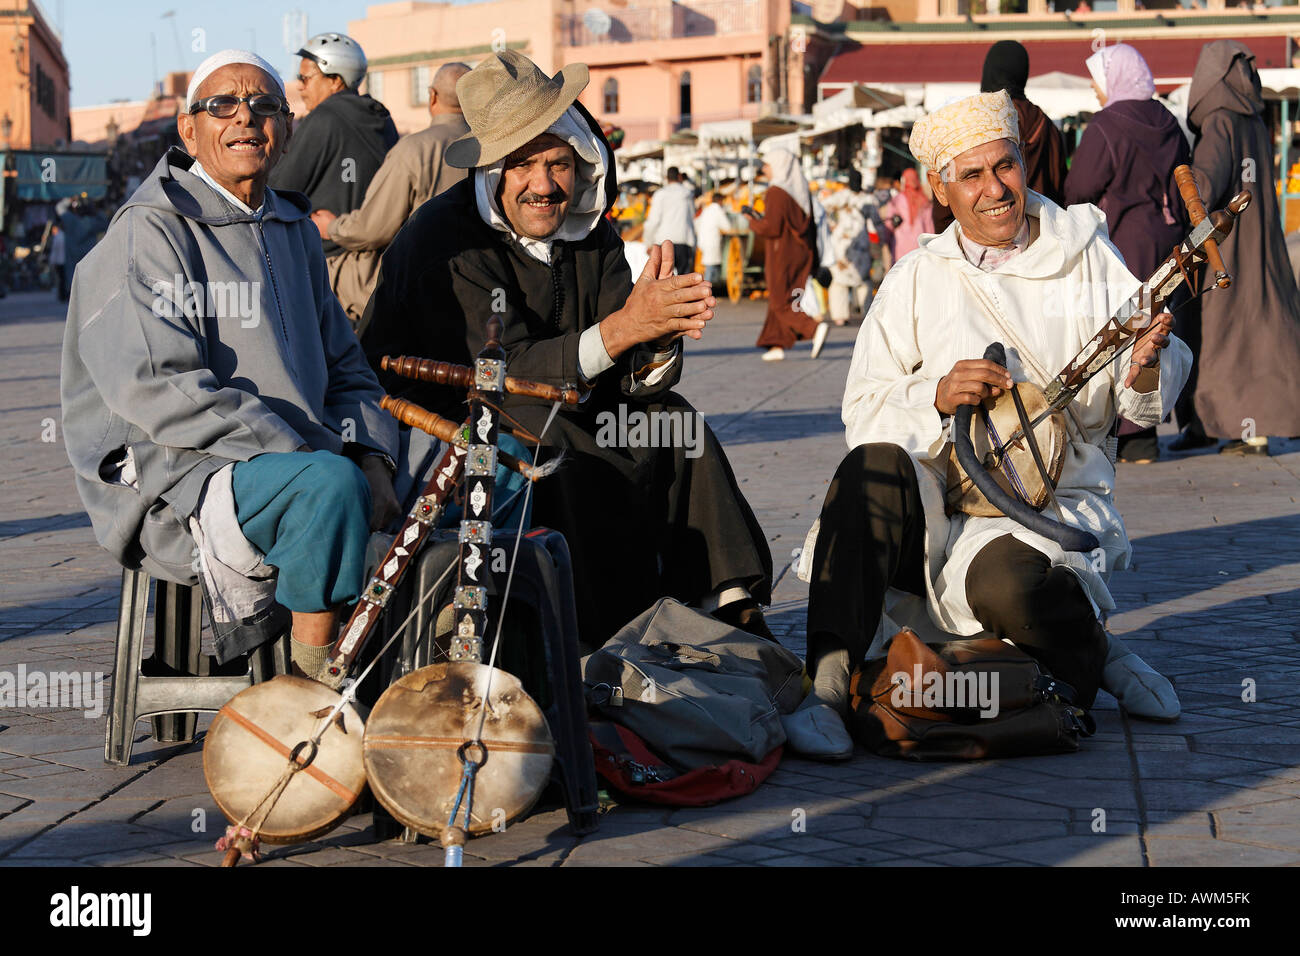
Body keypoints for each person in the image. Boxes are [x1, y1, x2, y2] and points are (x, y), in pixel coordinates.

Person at [784, 91, 1190, 758]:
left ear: (1024, 164)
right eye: (971, 176)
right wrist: (936, 395)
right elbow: (863, 412)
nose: (995, 189)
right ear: (942, 190)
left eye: (1005, 167)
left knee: (1004, 584)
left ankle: (1095, 649)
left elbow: (1144, 389)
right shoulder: (917, 277)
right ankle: (826, 686)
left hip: (1040, 502)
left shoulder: (1084, 253)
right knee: (869, 472)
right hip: (938, 498)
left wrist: (1145, 365)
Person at [361, 51, 775, 649]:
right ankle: (596, 635)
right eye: (523, 165)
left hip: (566, 401)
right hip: (449, 419)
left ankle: (729, 602)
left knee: (673, 424)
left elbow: (626, 357)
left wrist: (655, 335)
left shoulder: (590, 229)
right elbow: (500, 372)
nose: (544, 185)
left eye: (558, 163)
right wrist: (624, 330)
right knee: (556, 444)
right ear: (492, 171)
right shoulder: (444, 242)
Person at [61, 50, 400, 680]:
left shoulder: (291, 226)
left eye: (266, 105)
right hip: (181, 471)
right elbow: (158, 387)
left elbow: (348, 368)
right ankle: (308, 694)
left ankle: (431, 697)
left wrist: (375, 455)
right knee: (328, 487)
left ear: (287, 128)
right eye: (223, 105)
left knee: (452, 481)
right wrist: (307, 454)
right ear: (189, 130)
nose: (246, 117)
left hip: (301, 457)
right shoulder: (152, 230)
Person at [1065, 42, 1191, 464]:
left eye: (1097, 81)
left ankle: (1129, 434)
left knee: (1120, 333)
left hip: (1121, 241)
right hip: (1166, 240)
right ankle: (1147, 434)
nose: (1095, 92)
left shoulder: (1107, 125)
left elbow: (1078, 188)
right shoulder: (1167, 120)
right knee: (1155, 328)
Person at [1182, 40, 1300, 455]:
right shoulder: (1254, 119)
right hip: (1263, 242)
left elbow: (1207, 184)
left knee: (1226, 339)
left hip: (1227, 248)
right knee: (1263, 334)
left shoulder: (1220, 121)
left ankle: (1240, 428)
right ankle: (1246, 425)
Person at [310, 62, 471, 329]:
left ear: (431, 96)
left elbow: (372, 229)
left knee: (316, 274)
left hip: (415, 280)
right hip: (471, 279)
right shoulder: (491, 151)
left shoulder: (414, 150)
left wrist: (331, 227)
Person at [268, 33, 399, 319]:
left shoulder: (325, 117)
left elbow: (278, 187)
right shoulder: (380, 118)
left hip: (330, 267)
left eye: (306, 78)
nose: (300, 88)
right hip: (375, 266)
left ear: (335, 80)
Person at [745, 146, 823, 361]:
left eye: (767, 166)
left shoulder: (776, 192)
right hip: (801, 251)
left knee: (780, 300)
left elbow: (772, 228)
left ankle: (813, 328)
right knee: (785, 296)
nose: (765, 171)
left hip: (781, 253)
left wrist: (753, 222)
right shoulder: (799, 192)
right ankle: (775, 343)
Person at [980, 40, 1069, 207]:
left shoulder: (986, 120)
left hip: (997, 220)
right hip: (1043, 224)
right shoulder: (1046, 124)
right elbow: (1062, 185)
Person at [823, 170, 873, 325]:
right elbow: (877, 220)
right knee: (863, 279)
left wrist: (832, 224)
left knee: (839, 280)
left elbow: (823, 207)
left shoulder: (841, 196)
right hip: (860, 241)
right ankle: (868, 311)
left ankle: (840, 316)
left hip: (841, 241)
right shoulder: (868, 199)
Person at [642, 166, 696, 276]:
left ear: (667, 178)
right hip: (683, 240)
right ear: (679, 176)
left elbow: (653, 221)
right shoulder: (687, 194)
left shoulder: (660, 194)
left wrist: (648, 242)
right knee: (683, 281)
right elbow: (692, 218)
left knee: (662, 279)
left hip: (663, 241)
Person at [879, 168, 934, 264]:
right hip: (920, 250)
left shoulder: (897, 200)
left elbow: (889, 225)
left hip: (900, 250)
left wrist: (886, 240)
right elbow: (930, 229)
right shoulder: (925, 201)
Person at [694, 190, 731, 287]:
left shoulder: (706, 209)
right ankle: (705, 290)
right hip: (712, 242)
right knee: (710, 266)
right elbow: (727, 226)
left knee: (709, 264)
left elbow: (697, 223)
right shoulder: (718, 210)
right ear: (720, 201)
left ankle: (708, 288)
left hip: (702, 241)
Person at [48, 224, 68, 301]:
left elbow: (54, 251)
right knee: (64, 278)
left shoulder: (57, 237)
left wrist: (52, 261)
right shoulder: (64, 236)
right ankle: (64, 294)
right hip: (65, 260)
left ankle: (62, 295)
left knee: (60, 279)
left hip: (59, 261)